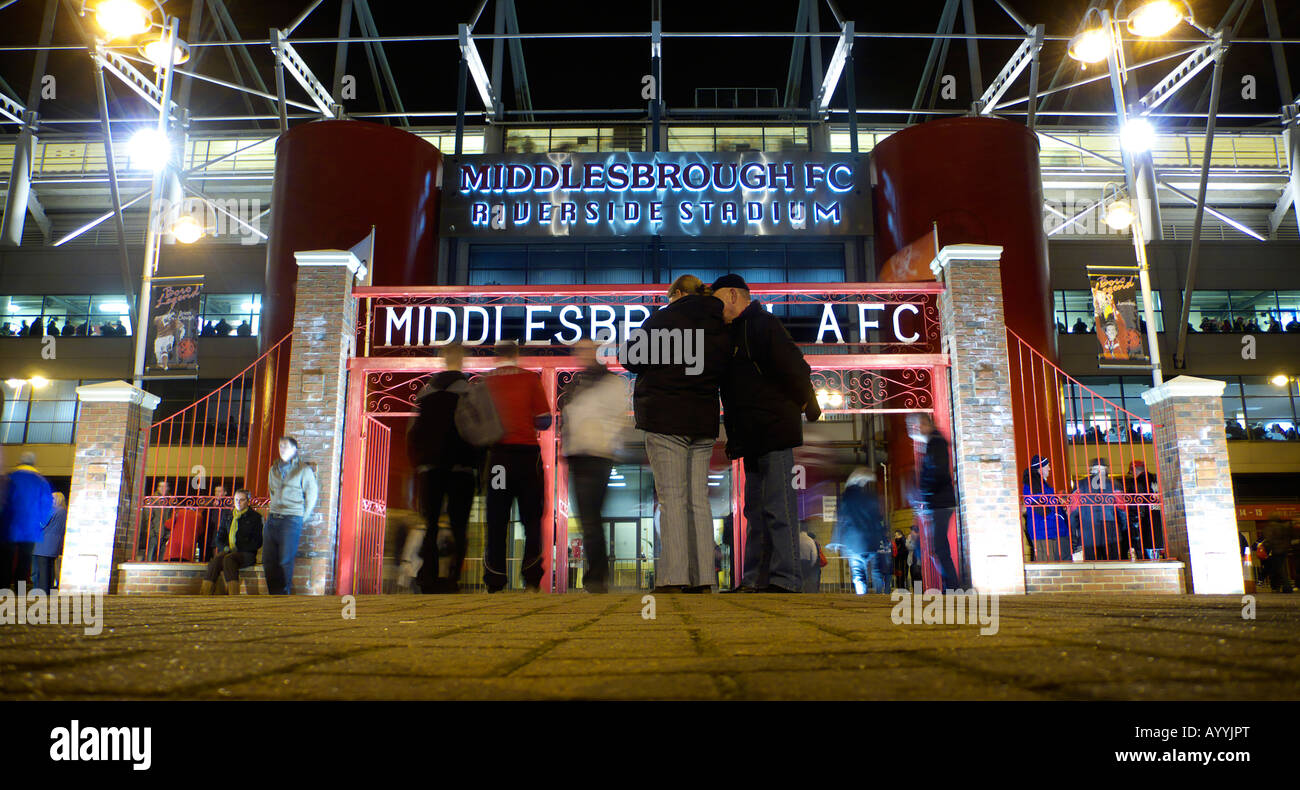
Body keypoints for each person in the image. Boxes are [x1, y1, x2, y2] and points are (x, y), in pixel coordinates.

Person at [713, 273, 821, 593]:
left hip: (773, 430)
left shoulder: (763, 324)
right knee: (756, 511)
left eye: (718, 300)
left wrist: (809, 403)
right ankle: (756, 580)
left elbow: (795, 367)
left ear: (734, 295)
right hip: (752, 435)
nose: (716, 309)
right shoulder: (734, 332)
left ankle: (785, 579)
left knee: (778, 507)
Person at [624, 274, 728, 594]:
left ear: (678, 293)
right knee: (698, 500)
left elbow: (630, 357)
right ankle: (703, 579)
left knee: (671, 499)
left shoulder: (663, 318)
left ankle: (674, 576)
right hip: (703, 421)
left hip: (666, 419)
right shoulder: (719, 323)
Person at [408, 342, 482, 594]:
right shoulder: (470, 393)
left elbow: (413, 433)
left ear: (442, 358)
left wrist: (418, 463)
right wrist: (479, 463)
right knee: (459, 526)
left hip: (431, 467)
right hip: (461, 468)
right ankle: (452, 578)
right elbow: (478, 433)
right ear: (463, 360)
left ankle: (428, 576)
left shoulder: (425, 394)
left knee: (430, 524)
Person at [482, 341, 553, 593]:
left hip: (498, 458)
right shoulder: (529, 379)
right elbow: (545, 420)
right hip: (526, 458)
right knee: (532, 518)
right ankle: (532, 577)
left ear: (495, 356)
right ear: (516, 355)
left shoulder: (485, 382)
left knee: (497, 519)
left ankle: (495, 580)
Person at [562, 339, 632, 594]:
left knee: (590, 517)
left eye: (584, 349)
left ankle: (597, 576)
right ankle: (597, 575)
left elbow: (615, 417)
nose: (580, 354)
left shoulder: (607, 383)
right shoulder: (580, 384)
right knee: (588, 517)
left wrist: (600, 438)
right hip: (581, 454)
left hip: (597, 454)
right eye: (578, 350)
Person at [907, 412, 961, 589]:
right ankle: (951, 585)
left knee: (938, 548)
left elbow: (936, 472)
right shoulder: (933, 443)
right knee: (938, 547)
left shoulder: (935, 443)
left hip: (940, 502)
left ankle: (952, 586)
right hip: (938, 502)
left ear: (927, 424)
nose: (917, 429)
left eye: (919, 425)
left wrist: (924, 491)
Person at [264, 436, 318, 595]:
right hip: (273, 518)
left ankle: (283, 595)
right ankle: (273, 595)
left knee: (285, 560)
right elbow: (271, 491)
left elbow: (312, 495)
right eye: (280, 446)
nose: (282, 449)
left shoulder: (303, 470)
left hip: (291, 518)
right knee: (269, 560)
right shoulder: (273, 469)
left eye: (285, 446)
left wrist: (301, 517)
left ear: (295, 450)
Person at [829, 467, 889, 595]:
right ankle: (881, 596)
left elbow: (841, 520)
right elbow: (878, 520)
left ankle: (863, 598)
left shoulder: (846, 499)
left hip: (854, 542)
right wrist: (883, 538)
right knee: (876, 571)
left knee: (858, 573)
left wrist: (835, 541)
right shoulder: (871, 498)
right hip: (872, 541)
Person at [0, 453, 53, 591]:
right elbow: (47, 505)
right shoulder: (41, 481)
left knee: (6, 558)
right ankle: (20, 589)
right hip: (30, 527)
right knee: (25, 559)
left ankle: (3, 586)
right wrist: (41, 522)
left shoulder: (10, 477)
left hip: (9, 525)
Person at [200, 489, 263, 595]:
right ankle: (205, 593)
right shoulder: (228, 516)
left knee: (229, 559)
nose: (238, 502)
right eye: (236, 499)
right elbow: (219, 537)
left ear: (248, 501)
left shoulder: (255, 517)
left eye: (242, 500)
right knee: (216, 560)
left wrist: (238, 548)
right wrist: (225, 548)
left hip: (246, 554)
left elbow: (258, 541)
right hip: (228, 551)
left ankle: (233, 595)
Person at [1070, 458, 1129, 560]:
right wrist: (1123, 527)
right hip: (1111, 533)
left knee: (1092, 568)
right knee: (1113, 566)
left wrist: (1074, 532)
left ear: (1091, 469)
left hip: (1087, 533)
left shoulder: (1080, 485)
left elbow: (1073, 510)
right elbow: (1122, 509)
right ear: (1105, 469)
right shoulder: (1114, 484)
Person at [1023, 455, 1068, 561]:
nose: (1049, 468)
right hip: (1045, 531)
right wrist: (1056, 516)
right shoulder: (1033, 483)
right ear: (1040, 468)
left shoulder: (1042, 484)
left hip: (1051, 530)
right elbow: (1038, 505)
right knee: (1047, 564)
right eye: (1047, 466)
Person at [1124, 461, 1164, 559]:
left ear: (1134, 470)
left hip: (1146, 526)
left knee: (1147, 558)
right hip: (1161, 526)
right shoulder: (1157, 480)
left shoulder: (1137, 483)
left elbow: (1134, 508)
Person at [31, 492, 67, 592]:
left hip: (44, 544)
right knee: (49, 568)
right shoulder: (64, 511)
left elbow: (40, 524)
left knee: (42, 569)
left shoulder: (53, 510)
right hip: (55, 544)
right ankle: (48, 590)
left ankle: (43, 590)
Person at [140, 479, 172, 562]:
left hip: (165, 534)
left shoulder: (170, 501)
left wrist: (168, 533)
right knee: (150, 555)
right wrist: (151, 532)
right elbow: (148, 518)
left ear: (168, 488)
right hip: (154, 533)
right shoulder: (152, 500)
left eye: (165, 486)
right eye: (161, 486)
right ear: (158, 488)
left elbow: (171, 518)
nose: (163, 488)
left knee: (162, 557)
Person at [203, 483, 229, 561]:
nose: (217, 493)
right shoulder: (211, 505)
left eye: (219, 491)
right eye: (216, 491)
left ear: (225, 493)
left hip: (224, 532)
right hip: (212, 533)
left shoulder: (228, 505)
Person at [798, 526, 824, 593]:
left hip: (802, 563)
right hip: (814, 565)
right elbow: (814, 555)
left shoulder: (799, 540)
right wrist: (812, 564)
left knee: (803, 580)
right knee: (813, 582)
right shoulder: (813, 542)